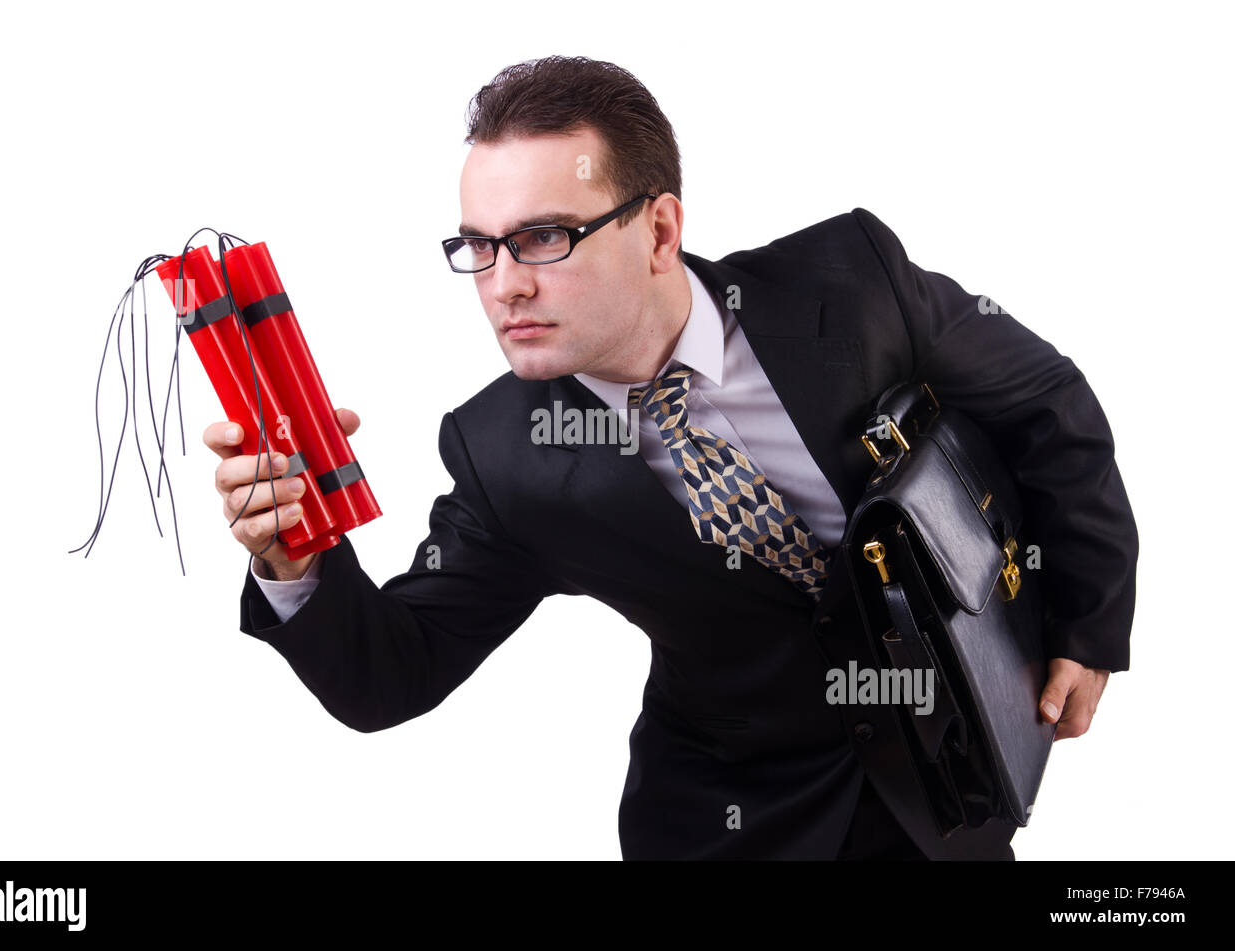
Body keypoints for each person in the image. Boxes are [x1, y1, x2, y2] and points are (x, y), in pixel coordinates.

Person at [203, 56, 1138, 860]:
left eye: (543, 237)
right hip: (734, 831)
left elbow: (1046, 404)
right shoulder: (505, 455)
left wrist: (1087, 630)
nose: (504, 284)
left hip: (958, 786)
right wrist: (296, 564)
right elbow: (388, 675)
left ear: (657, 231)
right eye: (479, 246)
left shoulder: (848, 285)